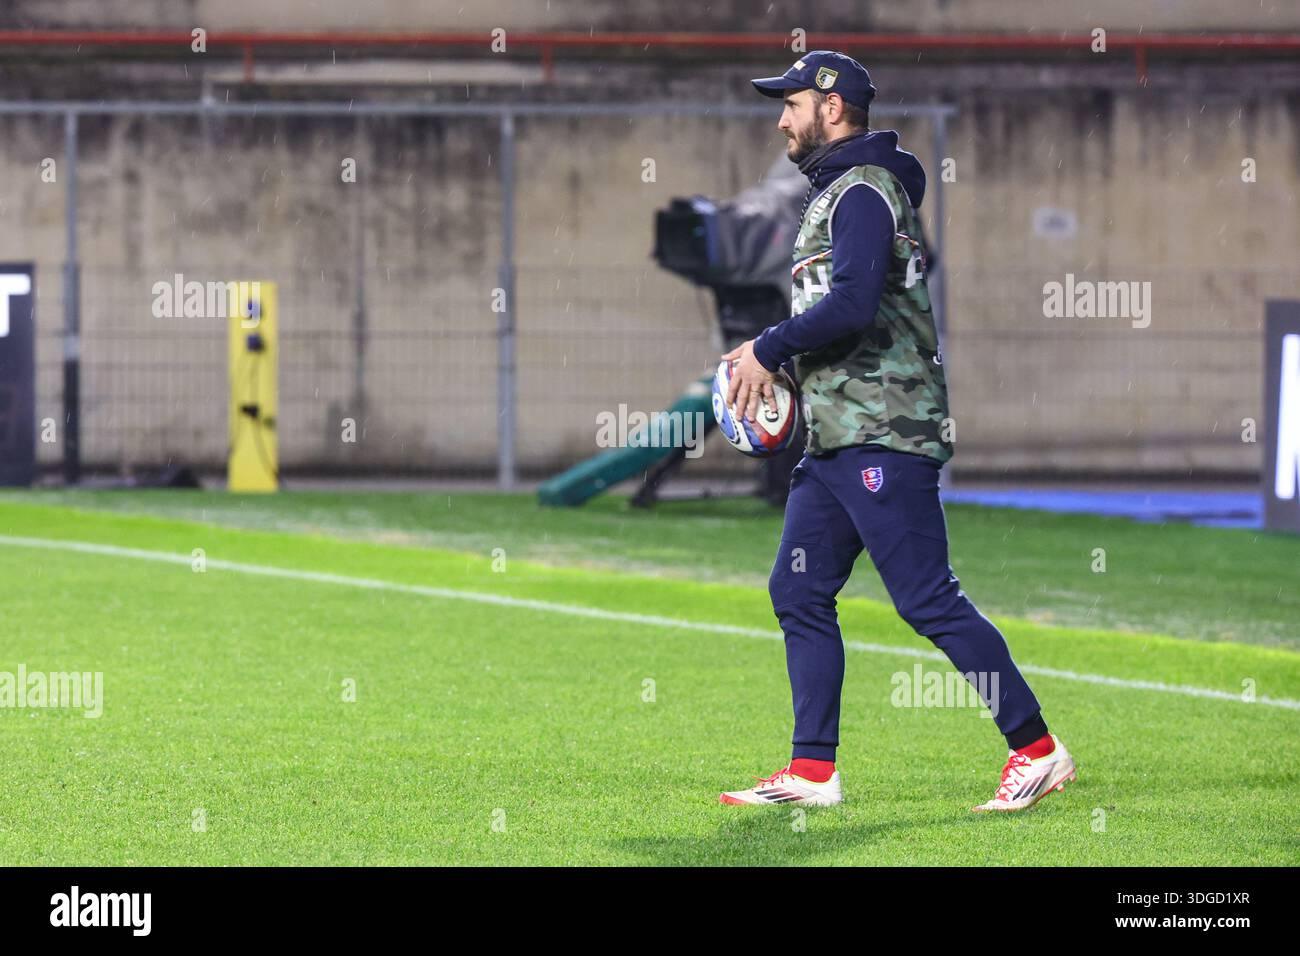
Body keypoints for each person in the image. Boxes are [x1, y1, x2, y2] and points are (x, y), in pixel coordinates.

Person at [718, 51, 1076, 811]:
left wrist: (768, 347)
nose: (780, 118)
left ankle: (1037, 749)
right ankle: (813, 772)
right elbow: (847, 314)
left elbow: (851, 304)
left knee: (927, 601)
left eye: (789, 104)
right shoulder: (841, 194)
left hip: (885, 428)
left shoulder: (864, 193)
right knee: (798, 588)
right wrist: (788, 367)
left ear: (832, 107)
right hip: (840, 437)